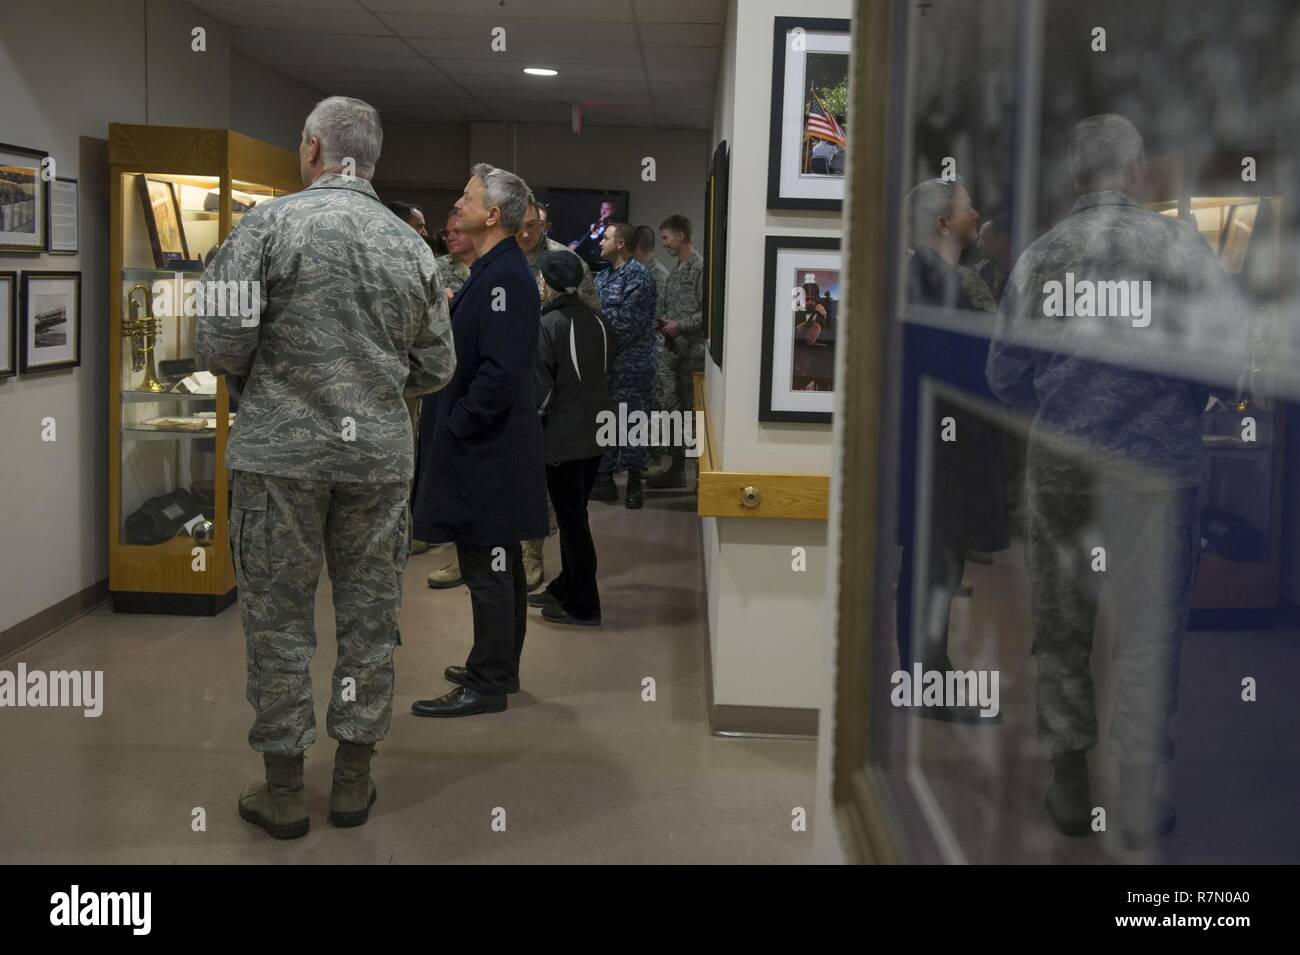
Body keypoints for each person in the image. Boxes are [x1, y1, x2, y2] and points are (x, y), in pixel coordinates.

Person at [195, 96, 456, 838]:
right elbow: (437, 365)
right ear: (368, 158)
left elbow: (217, 341)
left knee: (279, 622)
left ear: (313, 148)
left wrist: (270, 381)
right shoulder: (411, 247)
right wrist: (374, 389)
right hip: (375, 461)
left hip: (280, 458)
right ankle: (351, 781)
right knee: (369, 619)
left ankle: (282, 791)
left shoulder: (268, 226)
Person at [987, 114, 1244, 847]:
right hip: (1160, 469)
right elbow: (1228, 363)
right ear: (1135, 173)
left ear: (1076, 178)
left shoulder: (1041, 255)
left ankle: (1070, 785)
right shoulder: (1182, 249)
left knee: (1061, 625)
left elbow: (1004, 374)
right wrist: (1180, 400)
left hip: (1064, 465)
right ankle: (1136, 789)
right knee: (1149, 629)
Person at [411, 163, 547, 718]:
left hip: (486, 450)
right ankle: (497, 666)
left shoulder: (506, 276)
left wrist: (455, 425)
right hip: (489, 446)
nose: (459, 203)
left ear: (492, 214)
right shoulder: (495, 269)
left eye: (467, 197)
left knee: (487, 568)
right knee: (499, 564)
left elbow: (501, 374)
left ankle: (488, 682)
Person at [897, 178, 1007, 724]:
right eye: (968, 207)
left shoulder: (930, 278)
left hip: (939, 456)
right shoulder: (931, 283)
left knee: (933, 572)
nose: (977, 212)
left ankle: (930, 679)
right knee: (932, 573)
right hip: (940, 458)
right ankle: (927, 690)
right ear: (943, 223)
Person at [531, 250, 611, 627]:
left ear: (545, 283)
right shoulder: (597, 319)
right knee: (575, 515)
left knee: (572, 520)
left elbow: (541, 393)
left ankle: (584, 604)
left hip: (563, 439)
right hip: (596, 434)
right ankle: (566, 585)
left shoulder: (547, 324)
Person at [423, 210, 482, 587]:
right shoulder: (435, 266)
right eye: (447, 233)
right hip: (437, 373)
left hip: (473, 378)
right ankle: (430, 528)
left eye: (458, 232)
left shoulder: (489, 270)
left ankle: (470, 556)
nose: (451, 238)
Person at [590, 223, 657, 508]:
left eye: (605, 237)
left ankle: (633, 482)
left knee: (631, 424)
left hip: (632, 365)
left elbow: (627, 325)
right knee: (605, 421)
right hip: (605, 365)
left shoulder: (639, 277)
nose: (599, 242)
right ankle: (604, 479)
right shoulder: (603, 277)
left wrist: (596, 339)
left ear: (620, 244)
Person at [647, 214, 705, 490]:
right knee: (676, 415)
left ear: (681, 235)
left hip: (692, 357)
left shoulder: (699, 269)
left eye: (667, 238)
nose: (665, 244)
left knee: (696, 417)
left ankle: (701, 479)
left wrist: (678, 326)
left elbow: (708, 314)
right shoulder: (677, 270)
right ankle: (676, 470)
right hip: (674, 355)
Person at [569, 199, 616, 266]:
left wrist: (595, 234)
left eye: (607, 209)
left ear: (613, 211)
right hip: (581, 259)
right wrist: (576, 243)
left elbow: (601, 248)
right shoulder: (594, 223)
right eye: (602, 208)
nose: (603, 212)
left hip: (598, 261)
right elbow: (582, 238)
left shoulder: (613, 227)